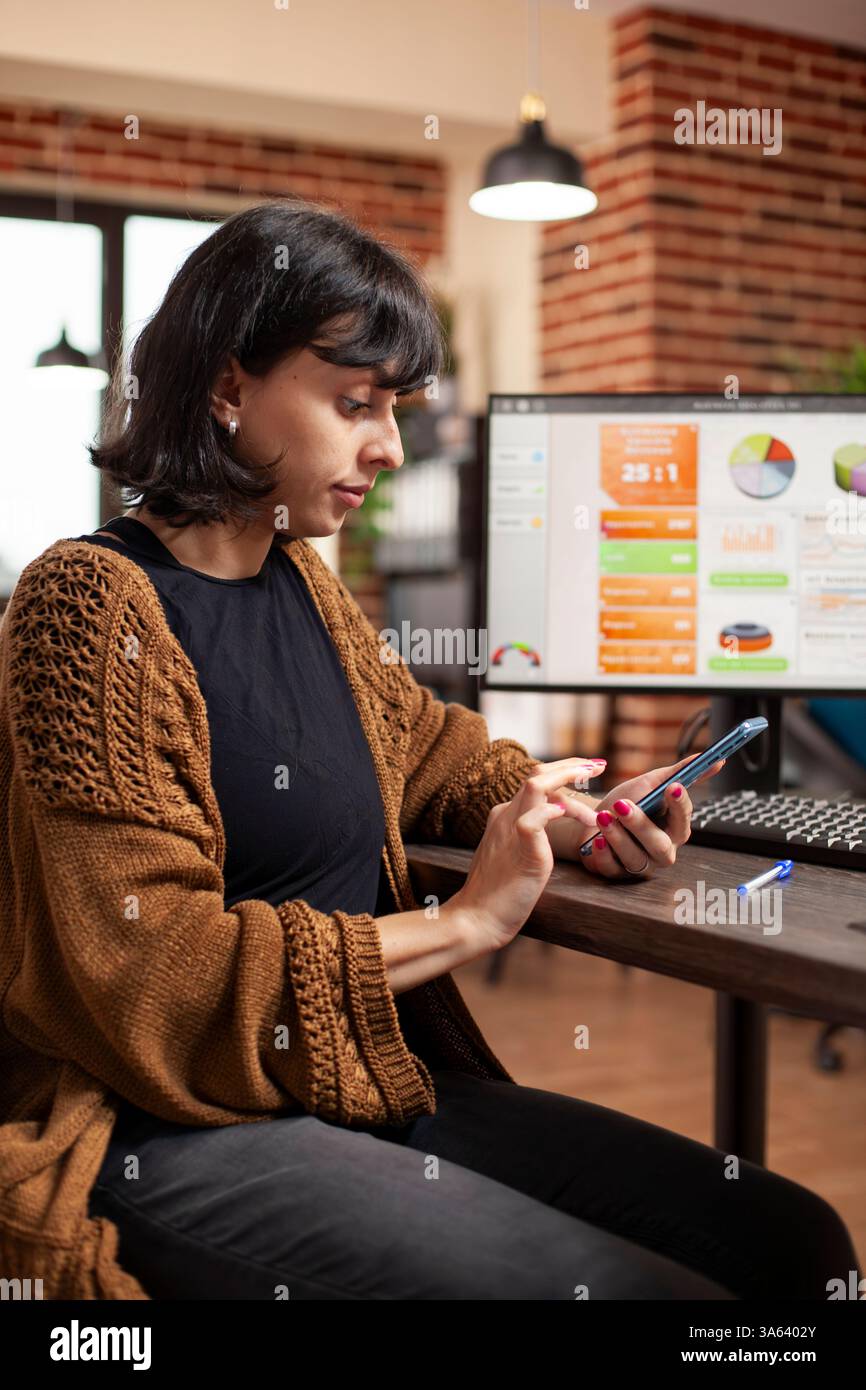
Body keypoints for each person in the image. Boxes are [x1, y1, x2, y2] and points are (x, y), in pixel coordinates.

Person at [0, 198, 858, 1301]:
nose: (389, 446)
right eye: (354, 401)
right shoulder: (86, 603)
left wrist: (563, 804)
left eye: (395, 406)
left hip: (348, 1072)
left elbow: (423, 747)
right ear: (226, 388)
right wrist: (462, 921)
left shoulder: (300, 579)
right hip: (165, 1115)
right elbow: (151, 978)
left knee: (792, 1242)